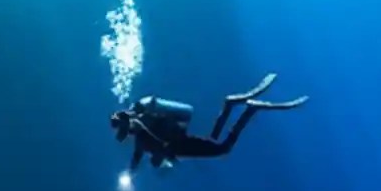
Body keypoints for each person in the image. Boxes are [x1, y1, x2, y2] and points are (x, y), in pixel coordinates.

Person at [109, 73, 308, 172]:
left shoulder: (142, 136)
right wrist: (130, 173)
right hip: (181, 139)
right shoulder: (141, 139)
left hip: (180, 144)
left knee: (223, 148)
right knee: (214, 138)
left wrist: (144, 163)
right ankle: (230, 104)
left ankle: (249, 109)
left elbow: (147, 146)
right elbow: (137, 157)